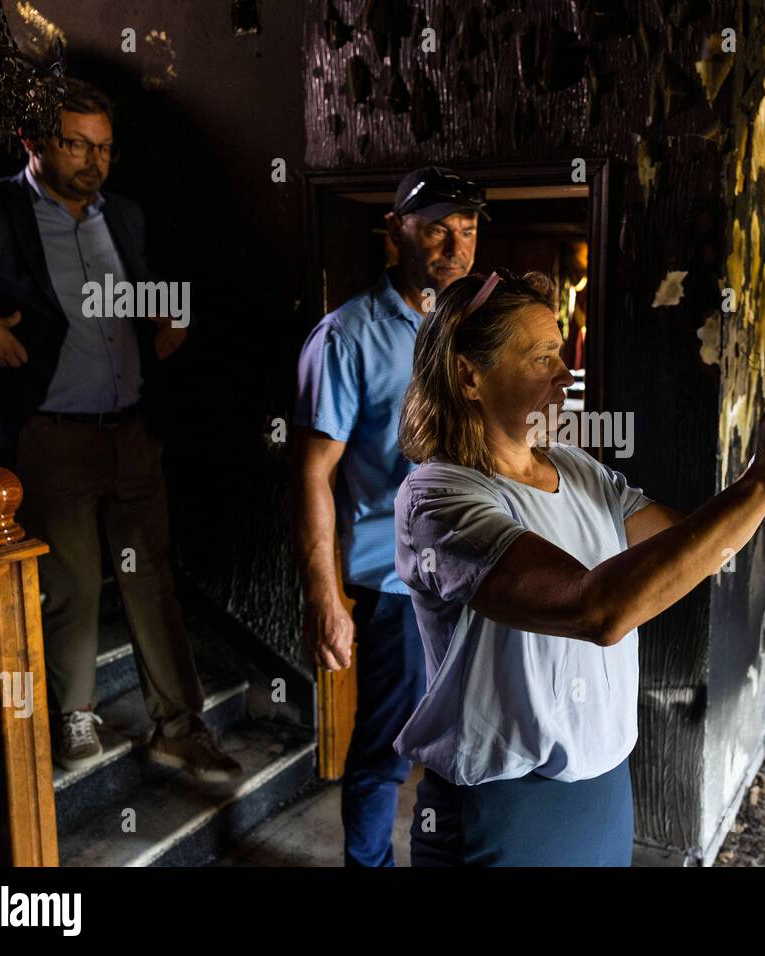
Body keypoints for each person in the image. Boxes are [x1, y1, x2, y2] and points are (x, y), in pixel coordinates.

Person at [393, 269, 765, 866]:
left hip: (604, 786)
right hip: (503, 807)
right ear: (468, 377)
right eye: (542, 357)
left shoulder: (578, 471)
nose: (565, 374)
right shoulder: (440, 500)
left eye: (562, 352)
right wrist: (761, 479)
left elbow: (699, 551)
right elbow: (596, 609)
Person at [0, 78, 241, 782]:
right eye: (76, 144)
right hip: (50, 432)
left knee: (154, 580)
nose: (92, 161)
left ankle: (180, 727)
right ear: (33, 141)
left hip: (132, 428)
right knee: (70, 583)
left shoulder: (123, 215)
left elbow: (144, 281)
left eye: (104, 147)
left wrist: (171, 310)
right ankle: (75, 716)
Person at [292, 166, 489, 866]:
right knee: (387, 748)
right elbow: (314, 470)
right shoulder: (345, 337)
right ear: (394, 233)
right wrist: (325, 594)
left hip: (481, 575)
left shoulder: (475, 327)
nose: (455, 244)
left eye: (466, 230)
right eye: (437, 227)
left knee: (468, 746)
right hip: (397, 586)